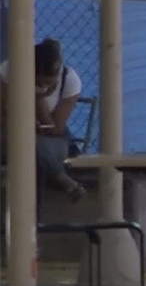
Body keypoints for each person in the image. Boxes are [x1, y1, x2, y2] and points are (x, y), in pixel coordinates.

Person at [0, 38, 85, 202]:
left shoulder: (70, 81)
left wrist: (38, 97)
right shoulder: (8, 71)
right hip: (10, 134)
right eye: (39, 80)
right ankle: (63, 180)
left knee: (31, 146)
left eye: (48, 82)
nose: (44, 85)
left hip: (50, 140)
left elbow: (55, 128)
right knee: (22, 144)